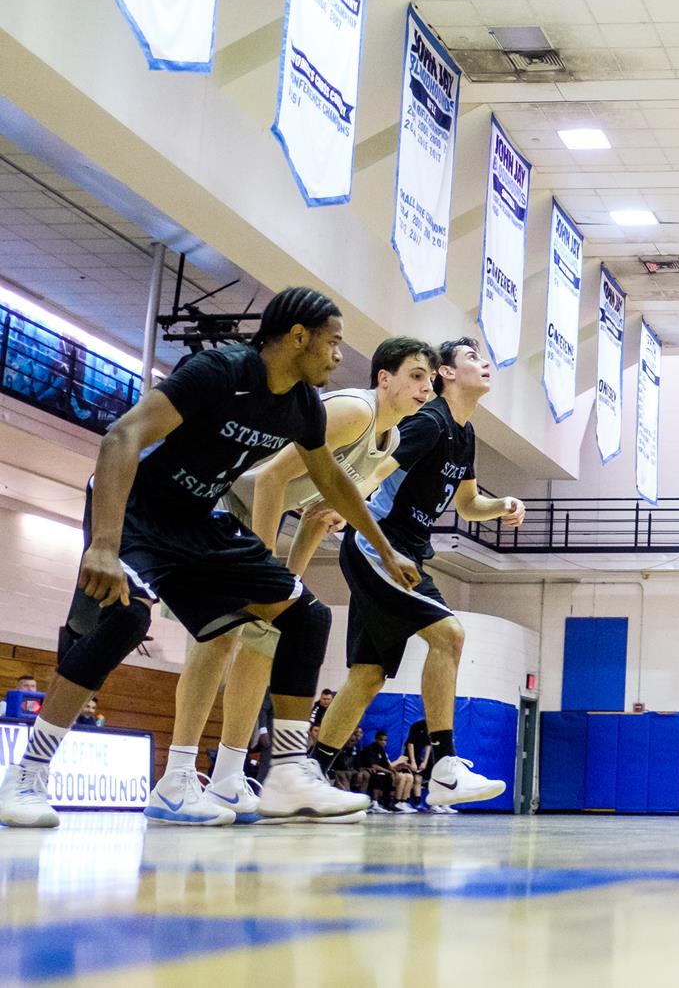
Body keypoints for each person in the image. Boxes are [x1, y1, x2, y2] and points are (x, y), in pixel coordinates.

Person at [0, 289, 420, 829]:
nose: (339, 356)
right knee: (127, 618)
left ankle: (288, 772)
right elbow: (122, 436)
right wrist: (103, 543)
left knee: (306, 616)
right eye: (333, 342)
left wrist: (384, 550)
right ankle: (27, 776)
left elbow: (332, 482)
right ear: (298, 336)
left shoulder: (302, 406)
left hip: (198, 520)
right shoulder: (219, 371)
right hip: (136, 509)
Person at [156, 336, 438, 826]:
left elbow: (317, 515)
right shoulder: (354, 411)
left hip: (258, 514)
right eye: (416, 375)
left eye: (431, 380)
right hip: (213, 497)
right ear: (383, 378)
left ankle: (227, 775)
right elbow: (269, 480)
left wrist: (287, 581)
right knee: (220, 637)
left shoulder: (387, 441)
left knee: (263, 641)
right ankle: (175, 777)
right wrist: (261, 566)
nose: (426, 387)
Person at [306, 337, 522, 812]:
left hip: (403, 553)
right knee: (449, 636)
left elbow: (467, 505)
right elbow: (380, 467)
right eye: (471, 358)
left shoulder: (464, 435)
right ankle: (443, 768)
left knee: (366, 677)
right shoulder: (431, 421)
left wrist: (502, 505)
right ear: (445, 373)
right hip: (379, 548)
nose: (485, 364)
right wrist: (346, 503)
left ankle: (307, 777)